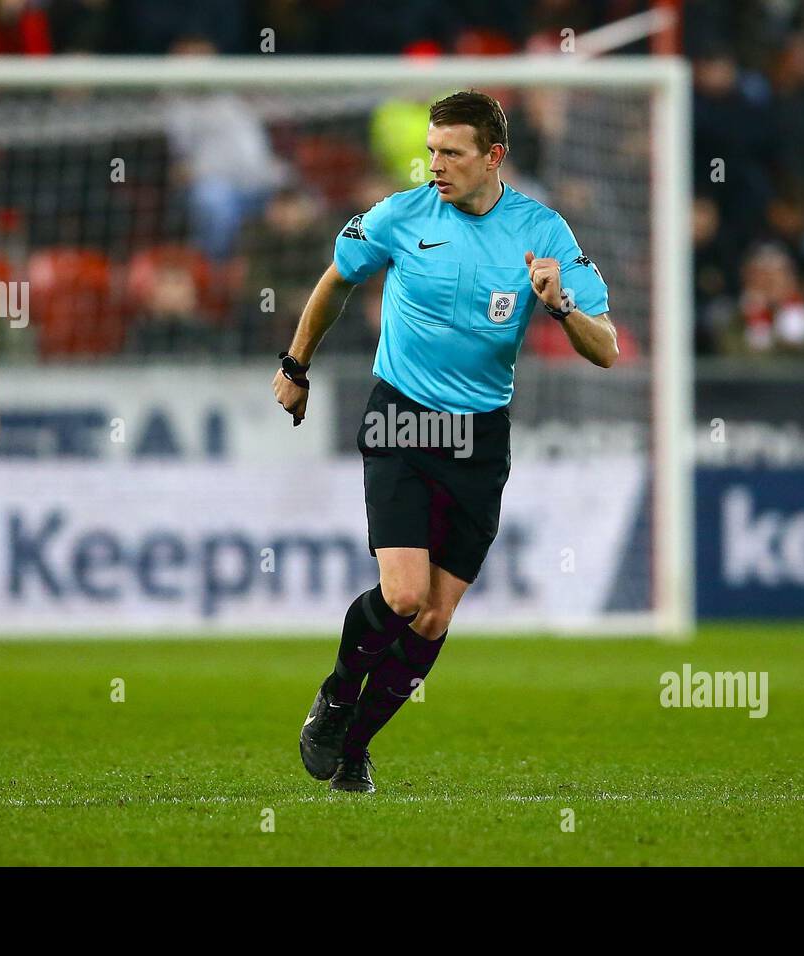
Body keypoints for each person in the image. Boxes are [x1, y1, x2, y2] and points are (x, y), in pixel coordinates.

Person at [272, 90, 617, 793]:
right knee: (403, 596)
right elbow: (335, 283)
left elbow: (605, 347)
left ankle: (355, 748)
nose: (435, 165)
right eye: (431, 150)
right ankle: (335, 696)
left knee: (433, 617)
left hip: (478, 437)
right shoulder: (400, 216)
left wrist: (560, 305)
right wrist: (296, 365)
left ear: (494, 157)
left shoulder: (543, 231)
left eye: (451, 153)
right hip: (402, 418)